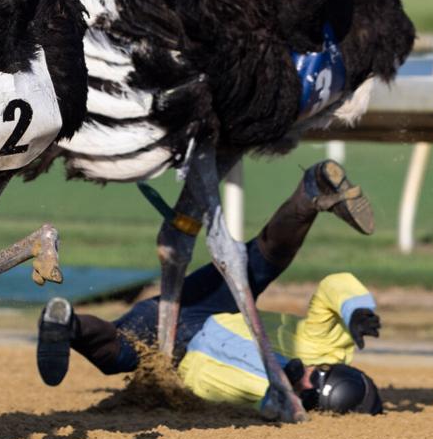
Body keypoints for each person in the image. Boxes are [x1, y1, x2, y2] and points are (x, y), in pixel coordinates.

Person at [36, 159, 384, 417]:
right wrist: (358, 308)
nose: (308, 380)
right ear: (330, 366)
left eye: (310, 394)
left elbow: (239, 390)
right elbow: (334, 286)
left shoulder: (260, 395)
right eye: (318, 372)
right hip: (216, 311)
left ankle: (66, 324)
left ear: (316, 405)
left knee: (119, 354)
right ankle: (310, 194)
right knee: (267, 258)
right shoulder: (328, 346)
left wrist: (278, 391)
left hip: (183, 349)